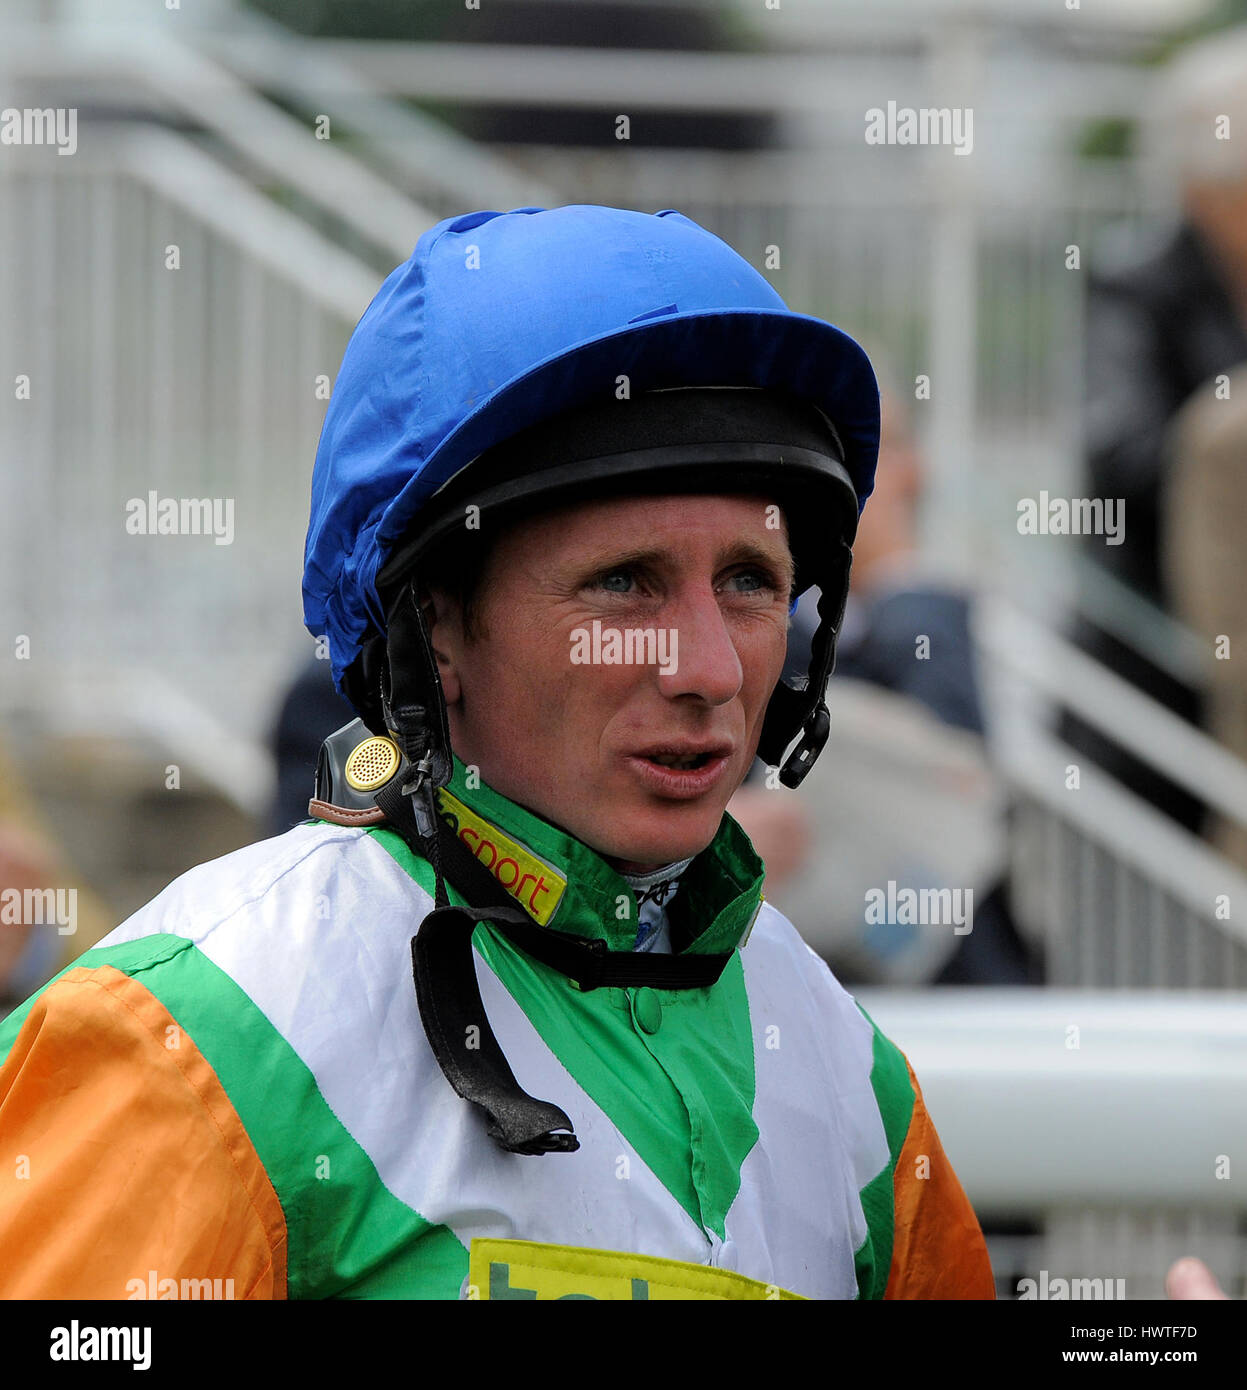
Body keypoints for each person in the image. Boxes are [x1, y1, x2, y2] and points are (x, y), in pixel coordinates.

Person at [0, 205, 993, 1300]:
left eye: (749, 582)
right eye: (624, 582)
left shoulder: (848, 1072)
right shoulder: (186, 1042)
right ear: (434, 627)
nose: (708, 667)